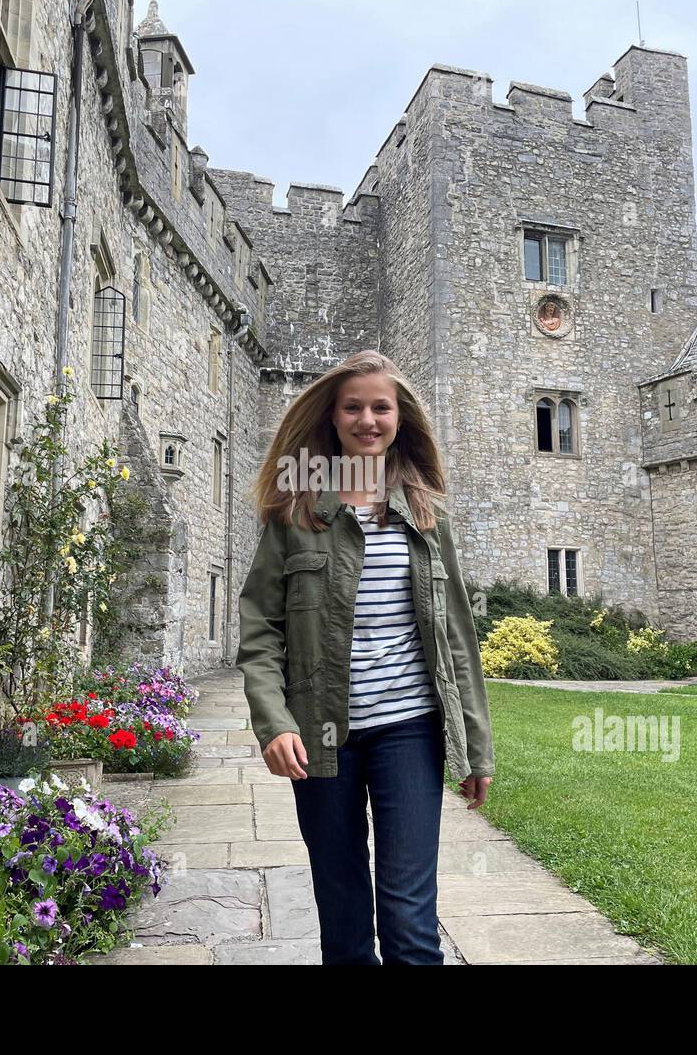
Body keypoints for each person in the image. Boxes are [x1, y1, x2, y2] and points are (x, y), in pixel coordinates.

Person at [235, 348, 495, 965]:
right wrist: (274, 723)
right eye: (353, 406)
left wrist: (475, 747)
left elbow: (457, 632)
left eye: (381, 406)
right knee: (343, 912)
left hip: (410, 731)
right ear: (333, 416)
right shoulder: (295, 512)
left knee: (409, 919)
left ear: (400, 417)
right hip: (322, 736)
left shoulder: (428, 513)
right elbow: (260, 629)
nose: (367, 419)